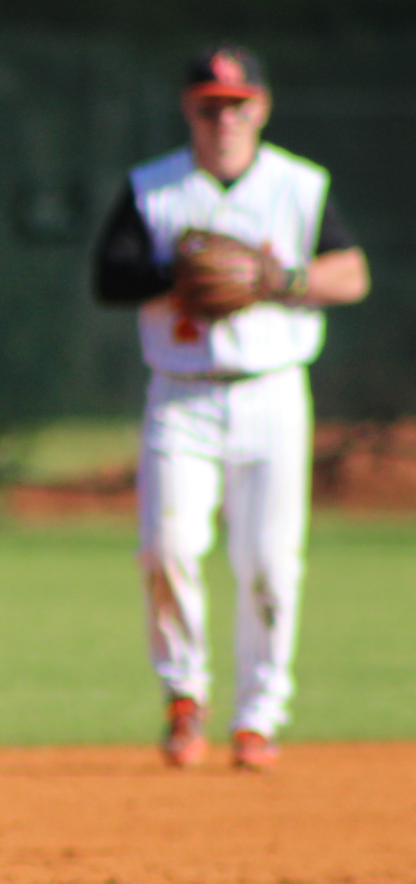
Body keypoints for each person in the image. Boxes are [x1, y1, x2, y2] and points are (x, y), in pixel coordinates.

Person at [92, 44, 370, 771]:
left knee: (271, 564)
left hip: (273, 391)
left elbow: (352, 274)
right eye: (210, 104)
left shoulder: (298, 185)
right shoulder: (154, 187)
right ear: (189, 108)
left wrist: (281, 277)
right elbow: (109, 277)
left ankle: (259, 716)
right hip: (181, 395)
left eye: (237, 102)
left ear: (262, 107)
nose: (225, 116)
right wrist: (172, 270)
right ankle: (184, 695)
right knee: (168, 548)